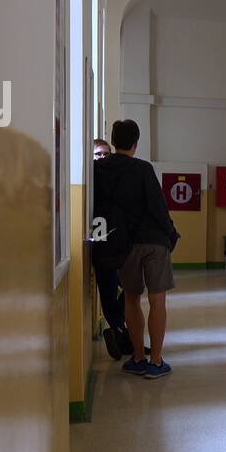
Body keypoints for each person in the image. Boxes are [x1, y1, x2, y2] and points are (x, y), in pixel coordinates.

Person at [102, 120, 179, 379]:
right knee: (157, 299)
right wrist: (171, 233)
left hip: (123, 243)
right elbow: (158, 206)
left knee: (132, 299)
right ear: (136, 143)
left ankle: (137, 358)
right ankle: (155, 362)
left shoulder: (98, 168)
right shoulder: (143, 169)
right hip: (154, 241)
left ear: (112, 141)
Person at [92, 138, 133, 360]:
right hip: (101, 244)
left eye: (105, 154)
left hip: (121, 242)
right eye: (97, 154)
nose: (101, 159)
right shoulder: (90, 179)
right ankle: (120, 333)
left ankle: (118, 329)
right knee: (108, 293)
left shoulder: (118, 179)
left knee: (132, 286)